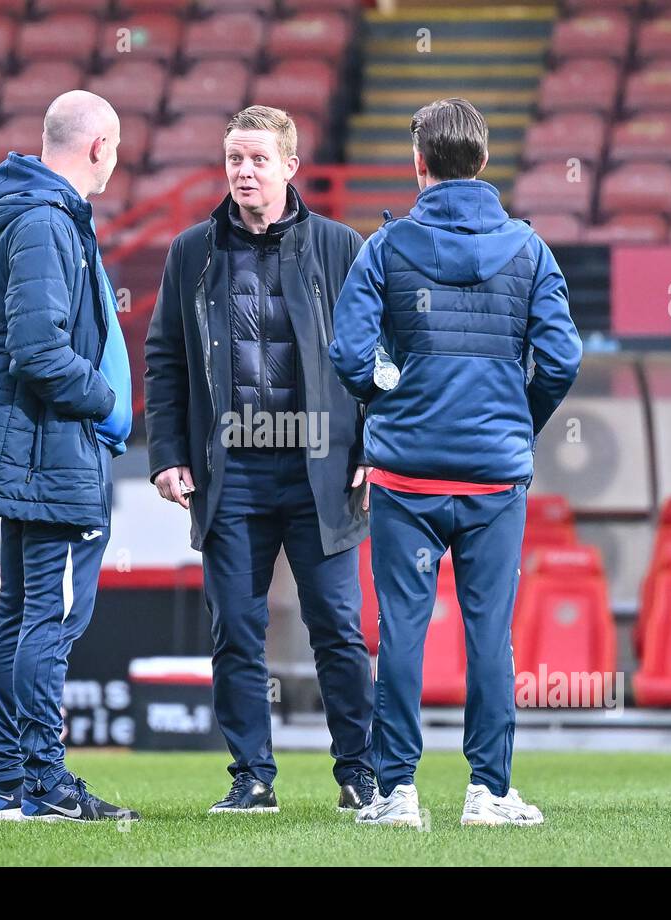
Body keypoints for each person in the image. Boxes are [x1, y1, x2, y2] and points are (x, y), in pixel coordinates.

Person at [329, 98, 583, 828]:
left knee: (403, 631)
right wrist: (517, 421)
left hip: (407, 475)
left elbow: (351, 356)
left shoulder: (386, 246)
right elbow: (561, 360)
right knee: (489, 634)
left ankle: (396, 794)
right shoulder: (530, 250)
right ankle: (489, 794)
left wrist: (390, 394)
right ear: (481, 161)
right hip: (494, 476)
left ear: (421, 164)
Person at [144, 106, 377, 814]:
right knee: (236, 631)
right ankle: (253, 777)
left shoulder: (342, 246)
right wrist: (167, 453)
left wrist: (372, 447)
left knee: (336, 626)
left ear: (289, 167)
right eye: (234, 161)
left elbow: (377, 356)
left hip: (321, 469)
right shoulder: (191, 251)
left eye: (257, 161)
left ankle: (359, 774)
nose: (244, 173)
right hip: (232, 473)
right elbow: (163, 357)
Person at [0, 90, 136, 823]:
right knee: (47, 620)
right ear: (98, 149)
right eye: (114, 151)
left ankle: (5, 786)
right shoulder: (45, 223)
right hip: (48, 454)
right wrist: (110, 403)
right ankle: (40, 785)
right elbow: (38, 354)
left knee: (20, 614)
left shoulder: (31, 215)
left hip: (29, 451)